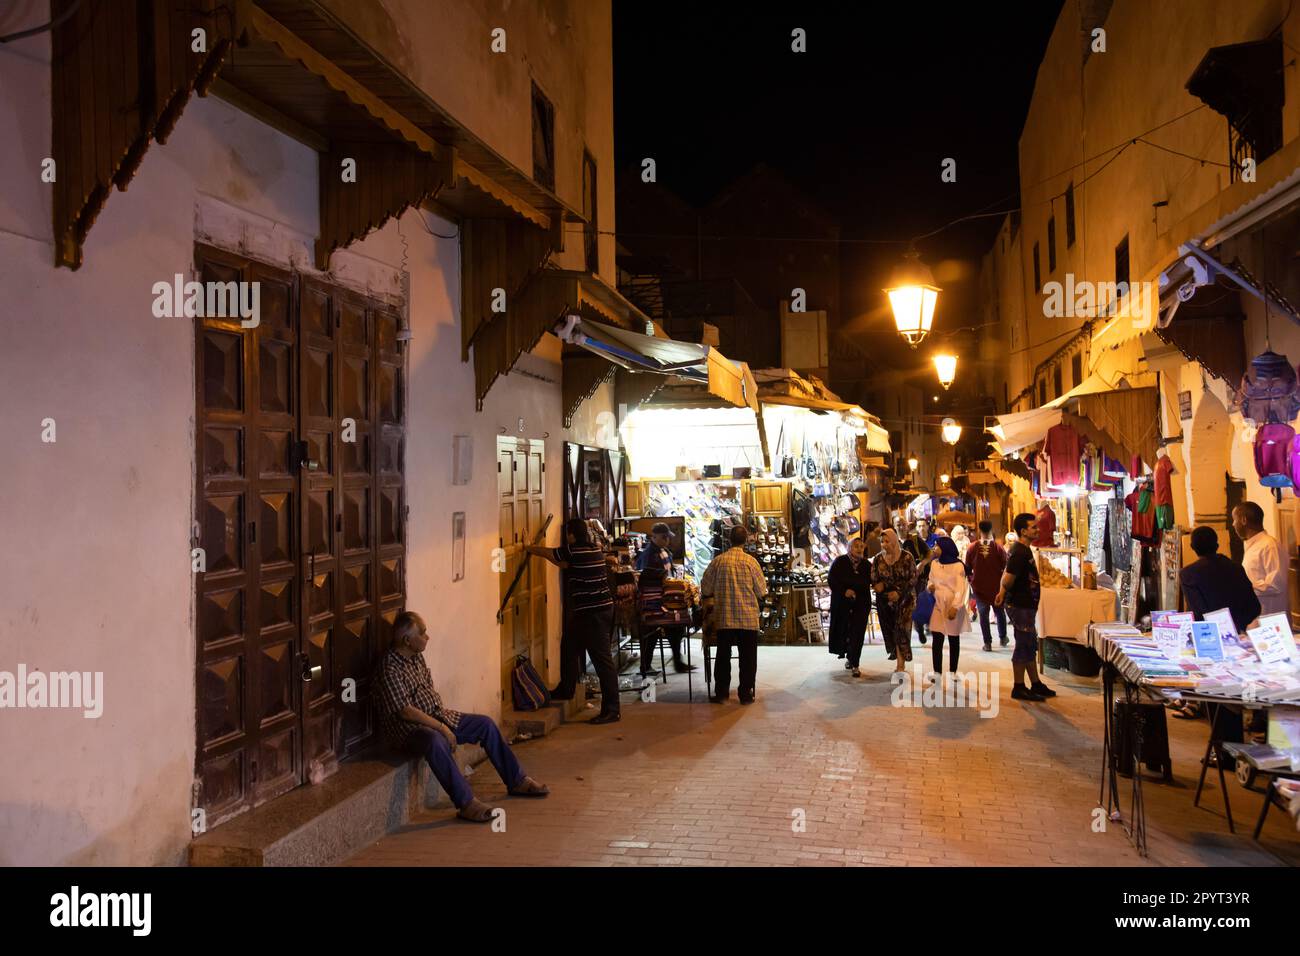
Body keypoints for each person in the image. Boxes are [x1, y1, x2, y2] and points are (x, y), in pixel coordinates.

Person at [376, 611, 550, 822]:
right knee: (434, 741)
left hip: (439, 716)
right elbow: (406, 711)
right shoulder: (390, 668)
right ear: (407, 640)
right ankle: (466, 803)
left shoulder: (416, 657)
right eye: (423, 633)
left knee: (485, 725)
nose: (427, 637)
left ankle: (517, 780)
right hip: (410, 730)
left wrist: (443, 723)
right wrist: (441, 728)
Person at [525, 518, 621, 725]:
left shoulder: (575, 551)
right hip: (596, 611)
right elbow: (562, 562)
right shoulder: (593, 550)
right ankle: (566, 688)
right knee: (569, 645)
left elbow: (552, 554)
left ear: (571, 534)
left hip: (593, 614)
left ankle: (612, 709)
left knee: (602, 661)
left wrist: (529, 548)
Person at [700, 525, 768, 704]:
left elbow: (705, 587)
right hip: (747, 618)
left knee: (723, 656)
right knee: (748, 658)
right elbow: (762, 591)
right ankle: (745, 694)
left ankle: (722, 693)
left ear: (729, 540)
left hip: (725, 617)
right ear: (745, 541)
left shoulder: (718, 561)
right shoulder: (751, 562)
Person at [994, 512, 1057, 702]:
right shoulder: (1019, 552)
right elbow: (1007, 578)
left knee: (1029, 644)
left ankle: (1035, 683)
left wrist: (1002, 594)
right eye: (1034, 527)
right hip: (1020, 605)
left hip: (1026, 605)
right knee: (1023, 645)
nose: (1038, 529)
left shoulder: (1024, 549)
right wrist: (1003, 592)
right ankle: (1019, 687)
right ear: (1023, 531)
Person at [634, 522, 696, 674]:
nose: (667, 539)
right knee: (652, 633)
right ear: (654, 537)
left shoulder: (664, 551)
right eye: (664, 537)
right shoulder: (648, 555)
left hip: (666, 598)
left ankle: (676, 662)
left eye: (668, 537)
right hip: (653, 601)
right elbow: (644, 579)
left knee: (675, 629)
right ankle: (646, 666)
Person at [1181, 525, 1261, 633]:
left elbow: (1197, 612)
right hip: (1238, 632)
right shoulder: (1236, 568)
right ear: (1217, 545)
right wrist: (1238, 626)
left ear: (1192, 547)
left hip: (1209, 634)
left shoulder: (1188, 574)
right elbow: (1254, 607)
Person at [1232, 502, 1289, 617]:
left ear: (1243, 520)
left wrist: (1244, 587)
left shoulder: (1269, 546)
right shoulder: (1254, 545)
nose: (1233, 524)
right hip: (1257, 616)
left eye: (1234, 519)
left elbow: (1276, 584)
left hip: (1270, 617)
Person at [872, 528, 917, 672]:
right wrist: (877, 585)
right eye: (882, 542)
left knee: (901, 631)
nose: (884, 545)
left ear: (894, 541)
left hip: (905, 600)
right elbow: (874, 577)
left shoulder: (906, 557)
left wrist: (898, 592)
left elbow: (913, 578)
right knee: (891, 631)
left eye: (887, 541)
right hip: (885, 603)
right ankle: (897, 658)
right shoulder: (878, 559)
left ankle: (900, 665)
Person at [926, 536, 970, 682]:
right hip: (938, 605)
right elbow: (930, 579)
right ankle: (937, 672)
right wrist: (930, 586)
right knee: (937, 639)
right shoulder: (934, 564)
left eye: (937, 546)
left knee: (953, 638)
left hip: (952, 606)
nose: (934, 548)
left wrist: (956, 607)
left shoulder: (958, 566)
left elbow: (960, 588)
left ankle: (953, 671)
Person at [828, 537, 873, 677]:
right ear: (849, 548)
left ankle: (855, 663)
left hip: (861, 604)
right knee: (845, 632)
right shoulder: (840, 562)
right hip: (842, 604)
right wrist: (844, 591)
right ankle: (849, 657)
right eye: (856, 546)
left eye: (861, 546)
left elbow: (871, 580)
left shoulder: (866, 565)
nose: (859, 549)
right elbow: (832, 580)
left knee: (857, 633)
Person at [965, 520, 1009, 651]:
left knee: (983, 615)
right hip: (996, 587)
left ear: (979, 530)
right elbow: (1006, 566)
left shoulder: (972, 547)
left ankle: (987, 643)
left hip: (979, 588)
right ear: (991, 530)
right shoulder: (998, 547)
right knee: (999, 612)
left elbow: (967, 567)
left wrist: (971, 580)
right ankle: (1003, 637)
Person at [902, 518, 936, 645]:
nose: (900, 527)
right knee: (906, 608)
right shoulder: (893, 542)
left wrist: (922, 564)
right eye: (898, 525)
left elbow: (929, 554)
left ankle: (920, 628)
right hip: (902, 583)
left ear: (907, 526)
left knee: (916, 606)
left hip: (918, 579)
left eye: (903, 524)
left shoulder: (915, 540)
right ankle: (908, 636)